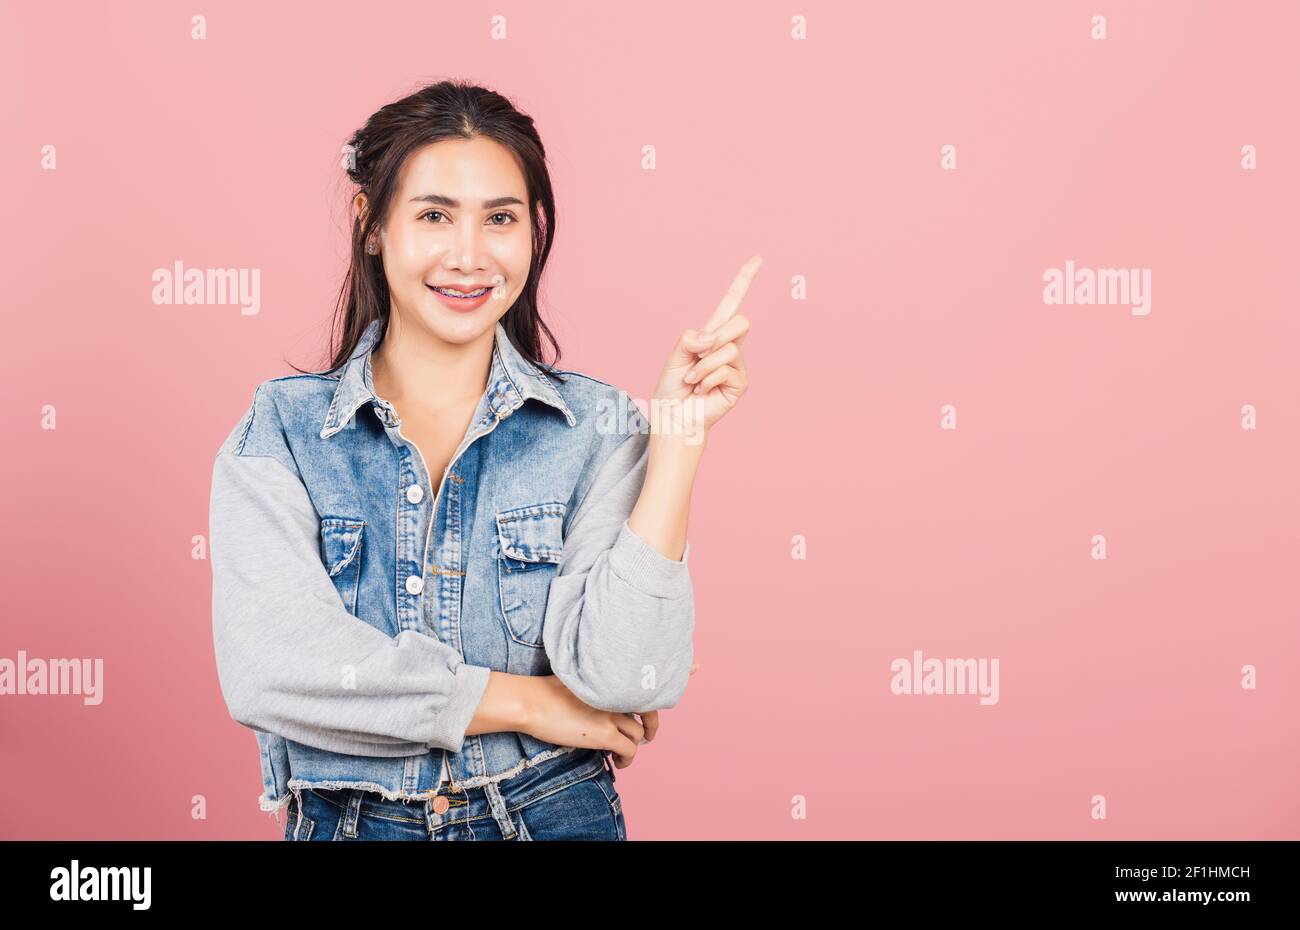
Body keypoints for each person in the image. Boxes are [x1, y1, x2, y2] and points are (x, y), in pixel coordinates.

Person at [208, 79, 760, 841]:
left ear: (533, 234)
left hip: (552, 814)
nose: (468, 257)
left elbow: (632, 677)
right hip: (350, 823)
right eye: (434, 215)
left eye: (499, 218)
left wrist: (678, 440)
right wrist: (533, 703)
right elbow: (272, 668)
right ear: (372, 225)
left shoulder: (595, 428)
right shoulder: (284, 431)